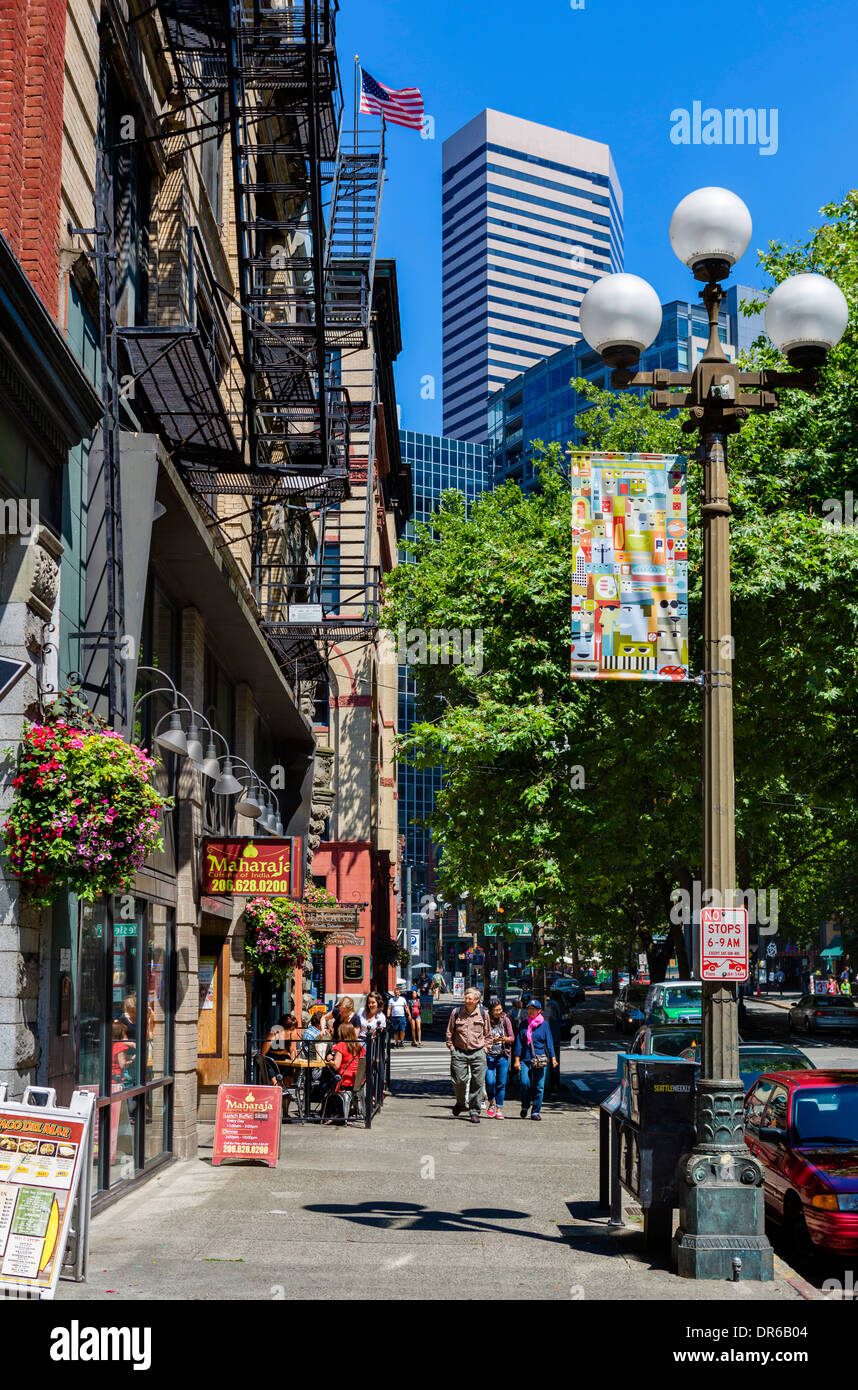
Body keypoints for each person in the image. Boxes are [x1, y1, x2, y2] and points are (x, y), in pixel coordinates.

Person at [445, 986, 492, 1123]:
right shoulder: (456, 1012)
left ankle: (474, 1111)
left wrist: (486, 1049)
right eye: (465, 997)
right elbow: (449, 1033)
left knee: (477, 1083)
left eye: (469, 998)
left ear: (477, 1000)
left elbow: (488, 1035)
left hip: (478, 1052)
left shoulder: (484, 1014)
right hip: (459, 1052)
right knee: (458, 1081)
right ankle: (460, 1103)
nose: (466, 1000)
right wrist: (452, 1048)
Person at [512, 999, 558, 1121]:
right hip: (525, 1059)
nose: (530, 1011)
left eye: (533, 1009)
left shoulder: (544, 1025)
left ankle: (535, 1111)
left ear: (539, 1011)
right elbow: (519, 1043)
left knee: (539, 1086)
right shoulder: (523, 1024)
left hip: (539, 1060)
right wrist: (516, 1060)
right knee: (525, 1083)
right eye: (529, 1009)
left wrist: (553, 1058)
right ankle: (525, 1106)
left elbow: (549, 1042)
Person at [321, 1023, 365, 1124]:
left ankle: (332, 1114)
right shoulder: (359, 1046)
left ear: (342, 1033)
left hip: (344, 1081)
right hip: (357, 1081)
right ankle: (341, 1112)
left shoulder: (341, 1046)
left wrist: (328, 1061)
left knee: (324, 1087)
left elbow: (336, 1065)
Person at [485, 999, 515, 1119]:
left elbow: (512, 1038)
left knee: (501, 1084)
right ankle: (491, 1102)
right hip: (489, 1056)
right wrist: (491, 1040)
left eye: (500, 1009)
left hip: (503, 1056)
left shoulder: (505, 1020)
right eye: (496, 1010)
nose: (499, 1012)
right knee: (490, 1081)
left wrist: (503, 1039)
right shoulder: (485, 1020)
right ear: (491, 1010)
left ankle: (499, 1109)